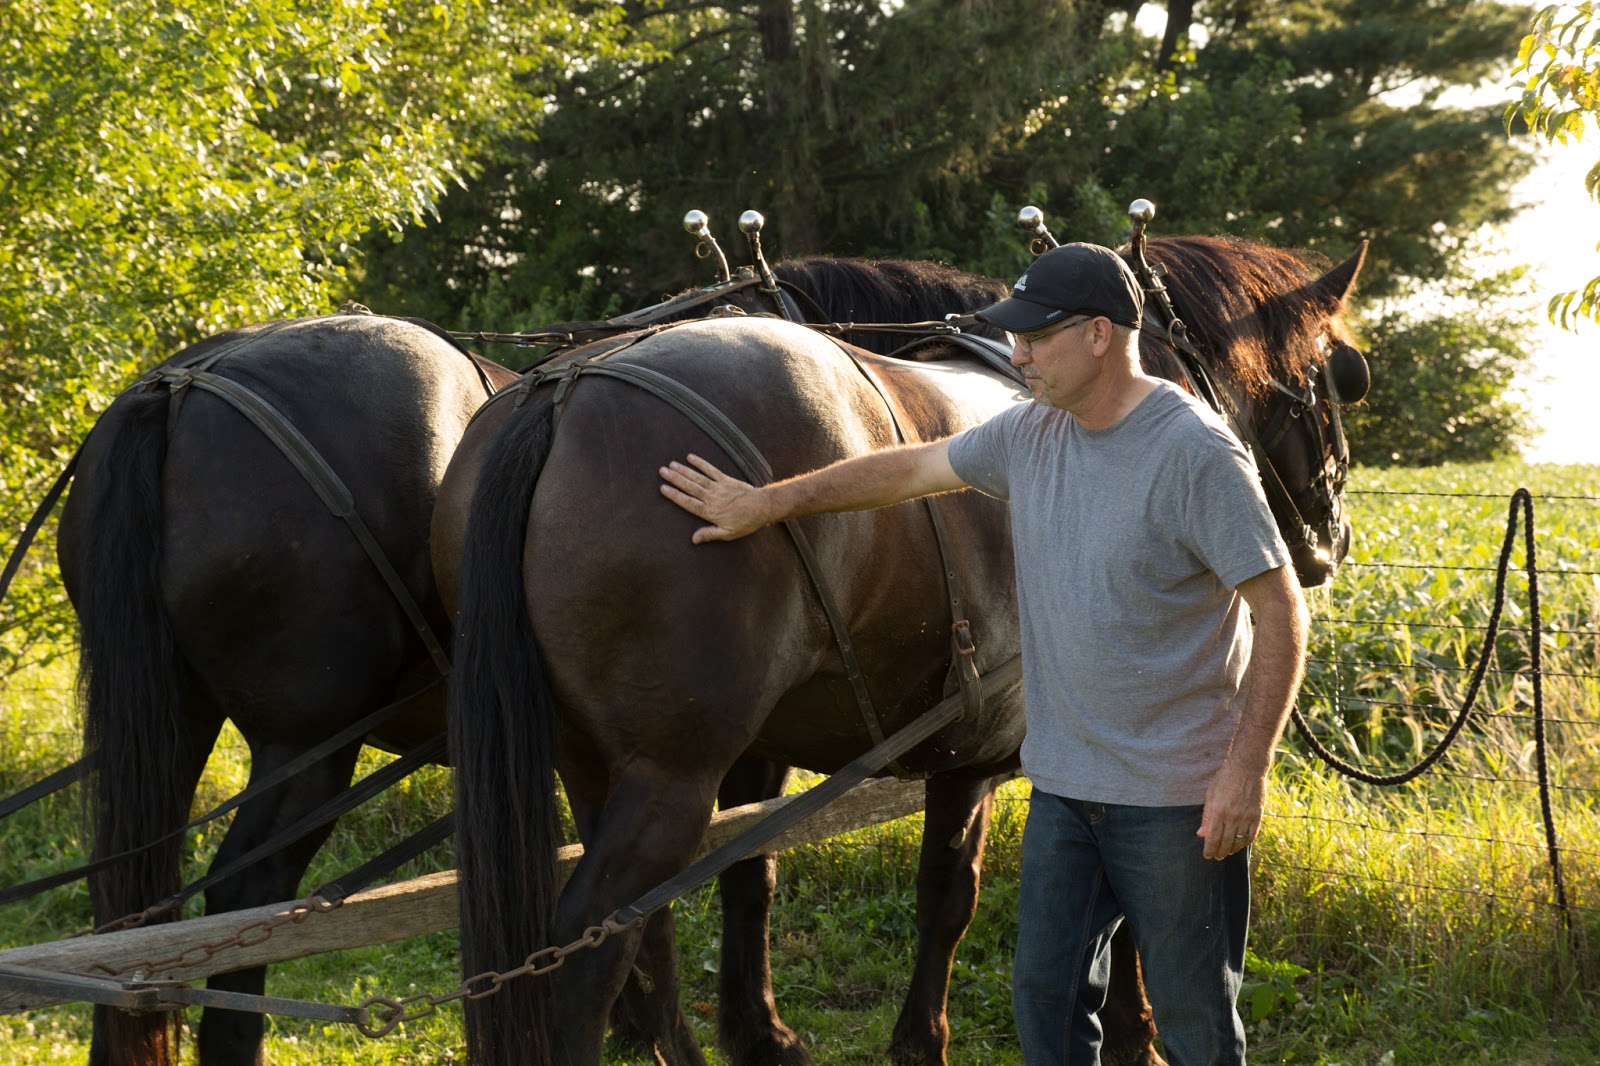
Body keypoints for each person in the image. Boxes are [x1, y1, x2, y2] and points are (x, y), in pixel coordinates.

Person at [657, 242, 1308, 1065]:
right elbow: (906, 472)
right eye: (1014, 336)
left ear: (1100, 335)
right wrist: (766, 502)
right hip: (1066, 792)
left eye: (1035, 338)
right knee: (1047, 1005)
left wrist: (1245, 770)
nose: (1015, 353)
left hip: (1175, 803)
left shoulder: (1196, 455)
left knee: (1194, 1024)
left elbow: (1282, 615)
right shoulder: (1036, 432)